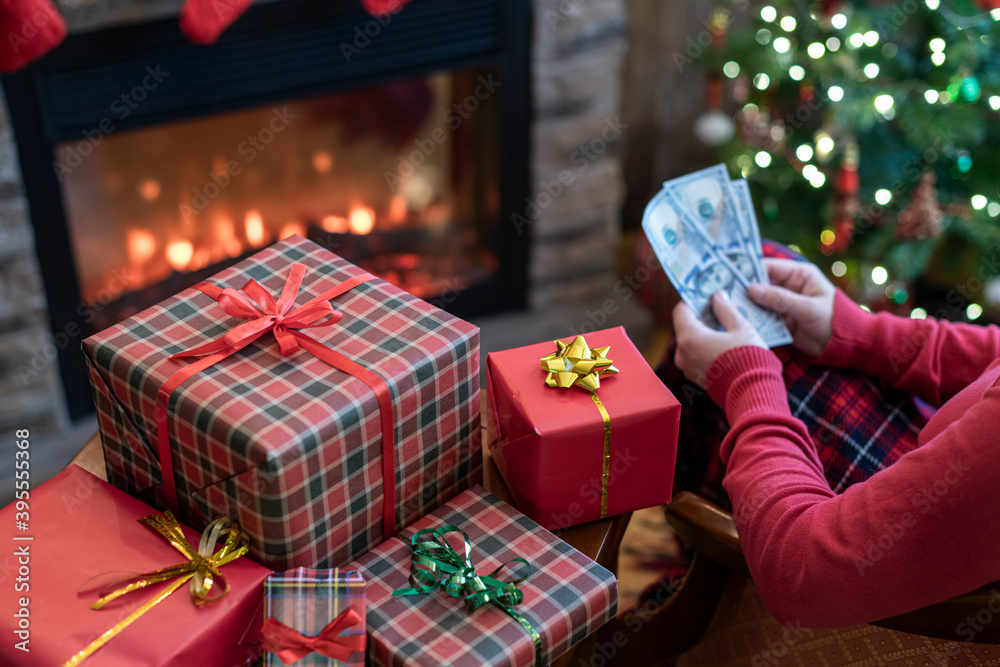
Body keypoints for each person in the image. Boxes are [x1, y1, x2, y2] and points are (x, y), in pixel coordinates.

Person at [672, 257, 1000, 629]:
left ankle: (695, 595)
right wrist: (860, 330)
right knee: (770, 264)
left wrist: (748, 384)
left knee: (760, 339)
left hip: (871, 612)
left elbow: (800, 577)